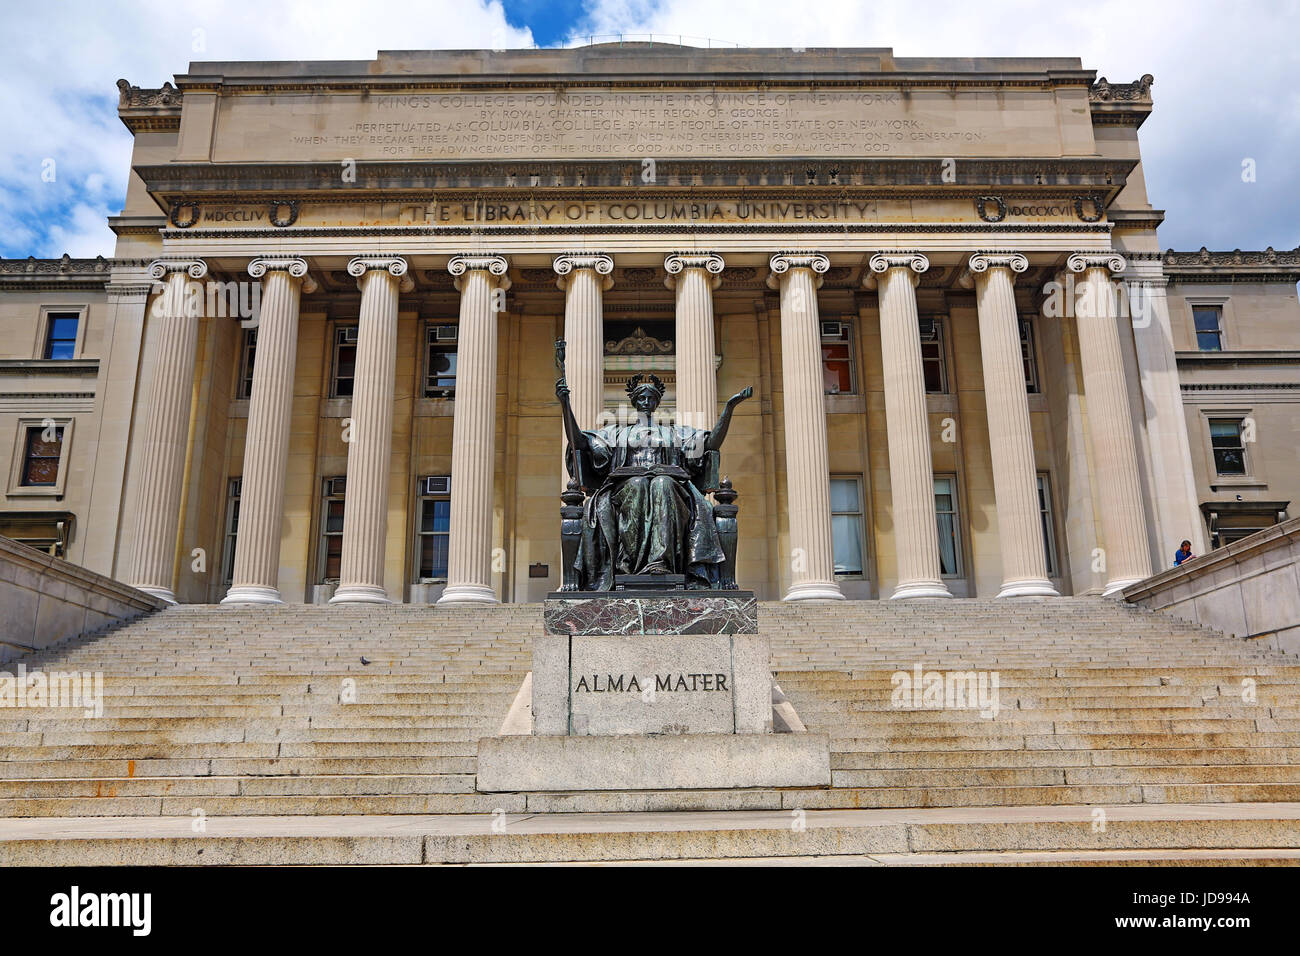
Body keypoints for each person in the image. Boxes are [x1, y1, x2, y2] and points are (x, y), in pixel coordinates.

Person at [556, 372, 751, 590]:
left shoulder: (674, 434)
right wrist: (565, 405)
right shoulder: (617, 433)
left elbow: (711, 444)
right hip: (626, 487)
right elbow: (580, 442)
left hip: (669, 485)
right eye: (642, 398)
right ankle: (628, 565)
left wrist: (729, 409)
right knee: (638, 484)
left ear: (657, 403)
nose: (646, 402)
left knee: (662, 484)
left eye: (651, 398)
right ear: (634, 402)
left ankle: (661, 563)